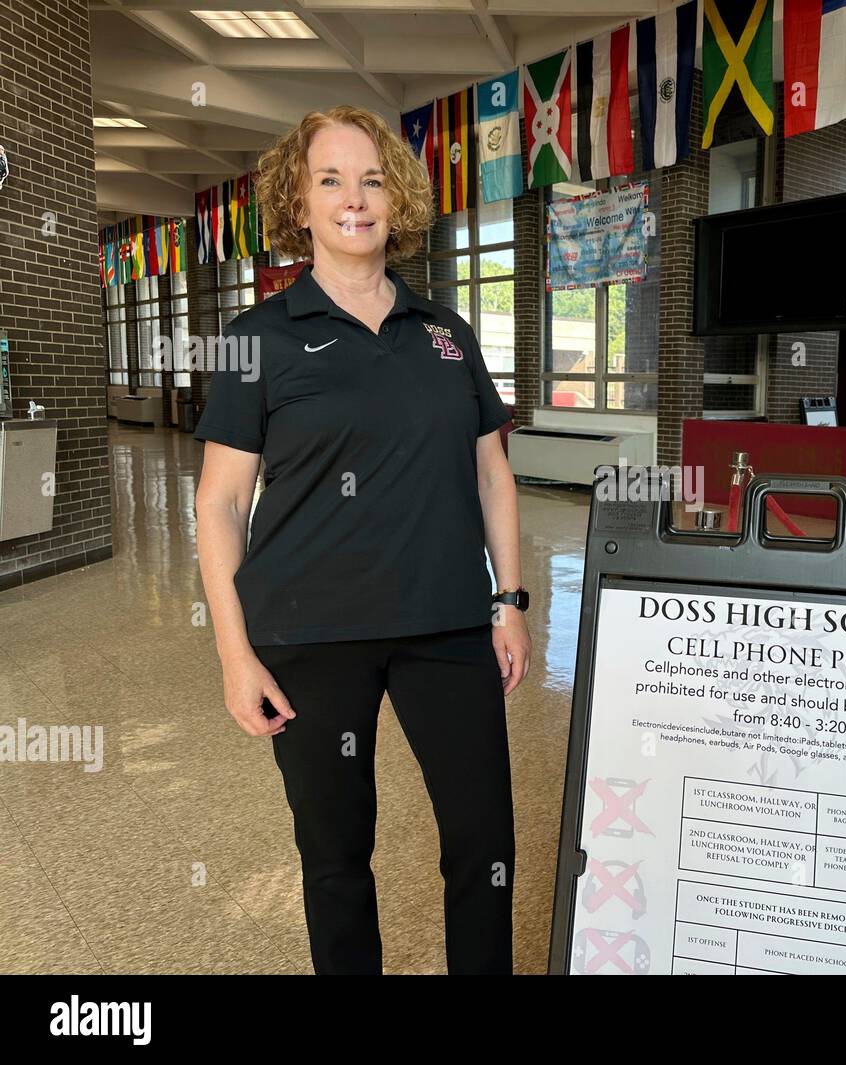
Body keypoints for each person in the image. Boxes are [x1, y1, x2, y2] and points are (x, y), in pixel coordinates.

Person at [193, 105, 530, 975]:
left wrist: (511, 600)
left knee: (484, 842)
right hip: (309, 633)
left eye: (373, 178)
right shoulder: (256, 340)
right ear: (298, 203)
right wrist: (235, 656)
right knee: (337, 857)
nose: (355, 198)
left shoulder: (446, 334)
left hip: (447, 621)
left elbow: (493, 474)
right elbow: (221, 504)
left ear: (398, 197)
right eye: (331, 180)